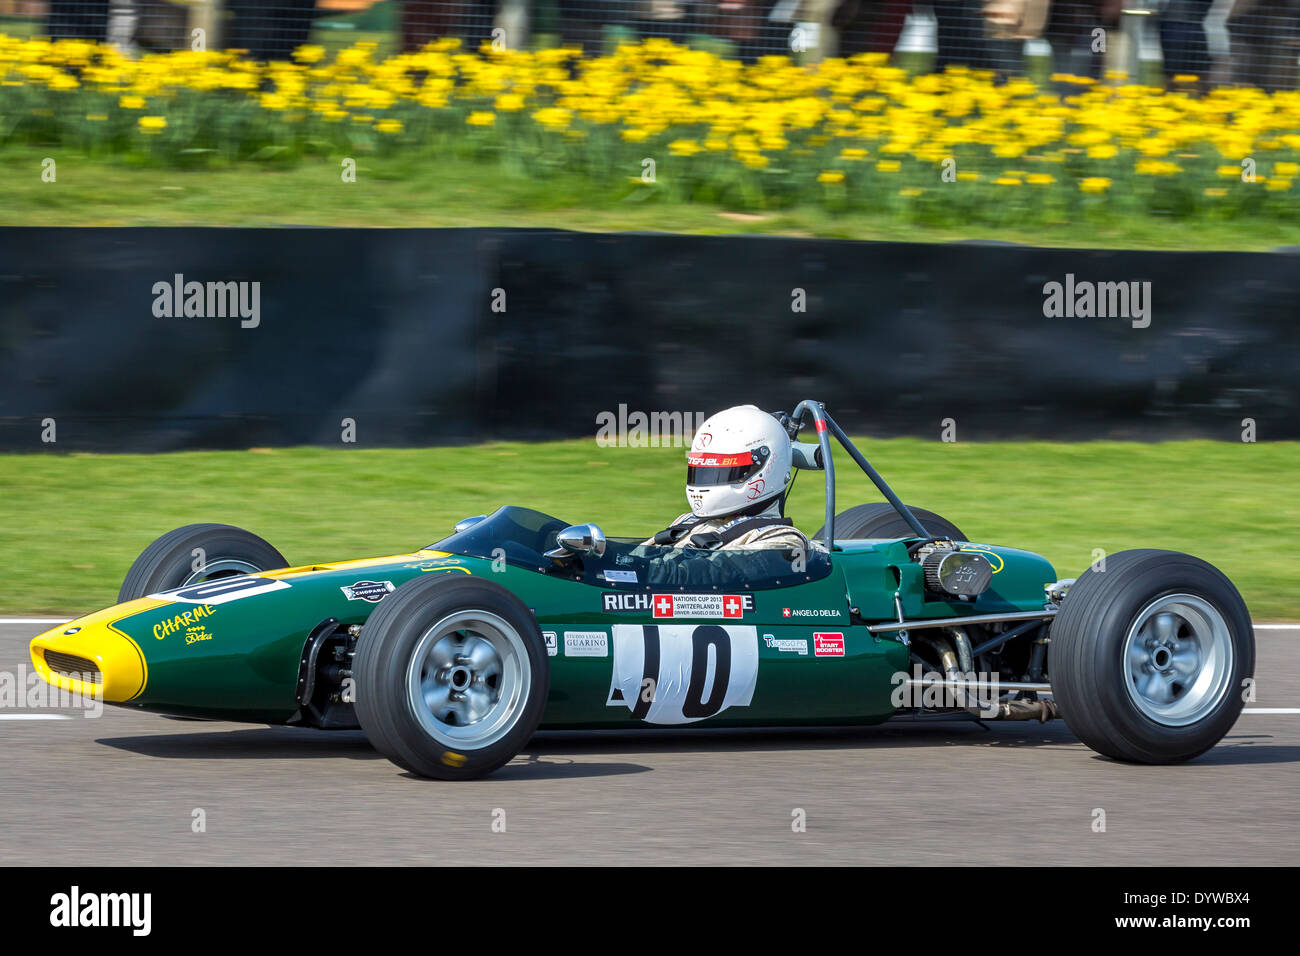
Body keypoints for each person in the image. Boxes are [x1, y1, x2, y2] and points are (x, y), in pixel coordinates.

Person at [645, 405, 814, 552]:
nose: (708, 479)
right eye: (703, 470)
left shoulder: (783, 541)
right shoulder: (687, 522)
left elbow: (713, 572)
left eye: (723, 469)